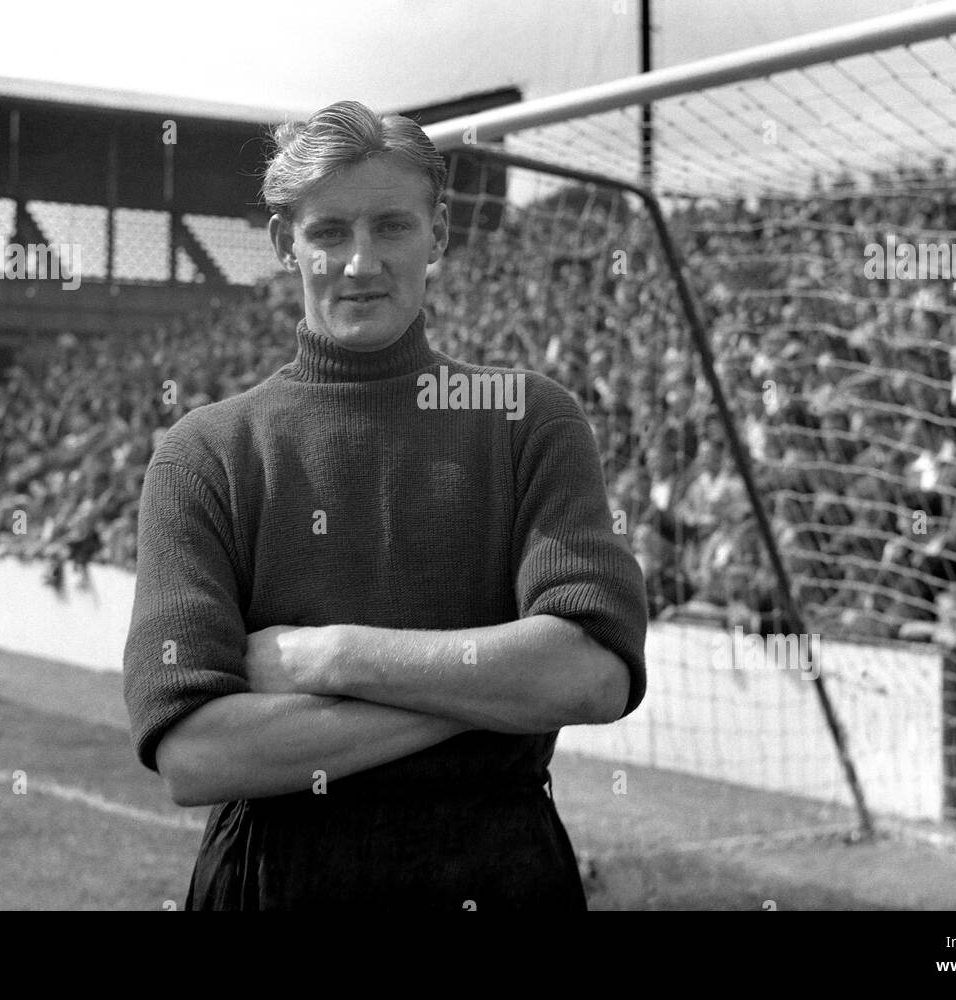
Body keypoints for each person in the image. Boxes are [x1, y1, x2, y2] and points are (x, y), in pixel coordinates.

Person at [122, 100, 648, 911]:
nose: (360, 261)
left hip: (498, 870)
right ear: (281, 243)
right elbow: (196, 756)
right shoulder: (205, 453)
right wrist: (488, 696)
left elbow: (592, 674)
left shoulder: (528, 419)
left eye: (391, 227)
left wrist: (333, 656)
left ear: (438, 234)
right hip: (275, 877)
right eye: (328, 231)